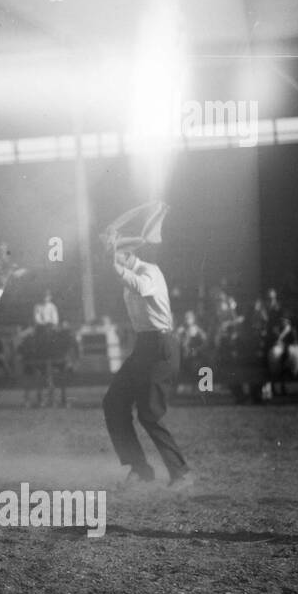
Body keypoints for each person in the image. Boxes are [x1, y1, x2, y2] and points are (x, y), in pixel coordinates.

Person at [100, 209, 192, 491]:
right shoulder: (131, 272)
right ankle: (140, 470)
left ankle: (182, 474)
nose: (114, 263)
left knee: (149, 414)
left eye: (117, 257)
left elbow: (138, 286)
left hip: (162, 347)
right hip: (145, 347)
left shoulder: (150, 272)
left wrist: (111, 254)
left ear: (128, 255)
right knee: (113, 402)